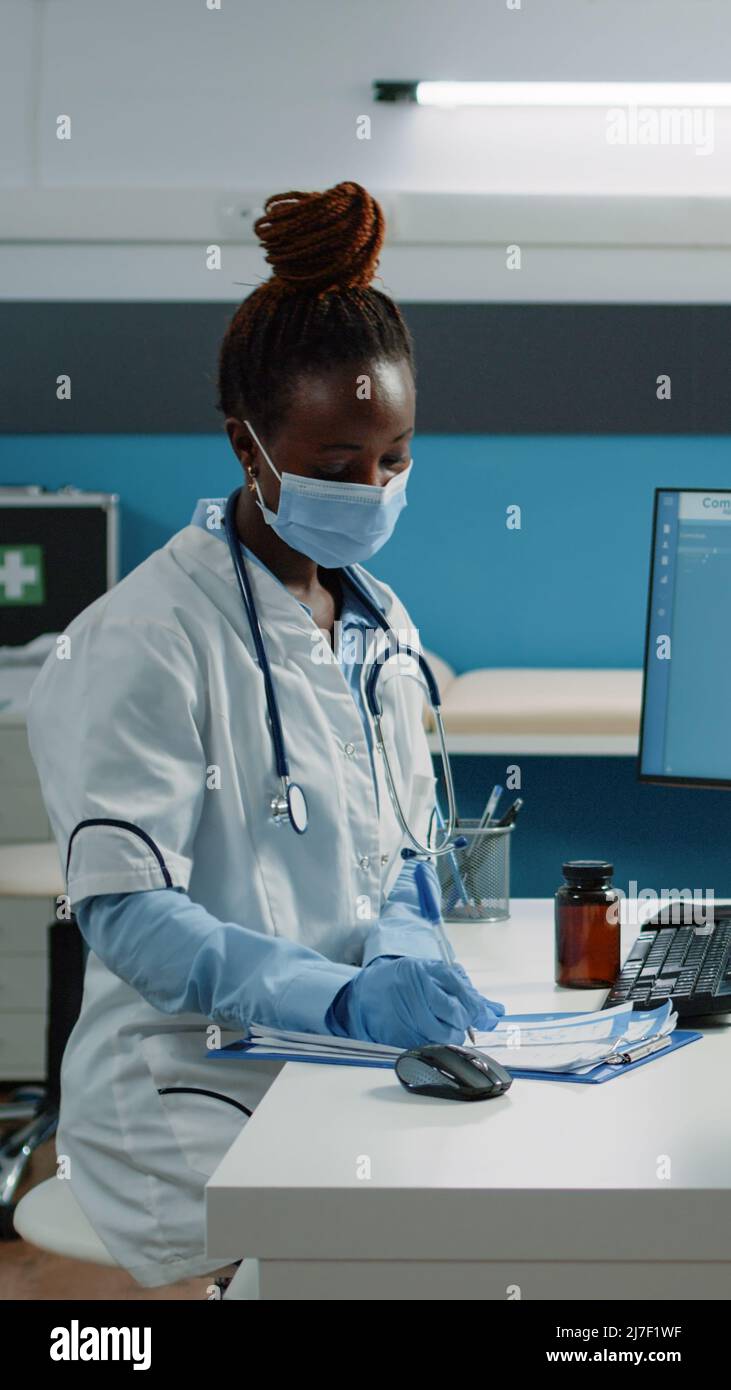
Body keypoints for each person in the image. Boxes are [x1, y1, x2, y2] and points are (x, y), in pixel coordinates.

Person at [27, 180, 505, 1290]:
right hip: (186, 1082)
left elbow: (401, 854)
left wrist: (402, 945)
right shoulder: (143, 638)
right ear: (248, 447)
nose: (372, 489)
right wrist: (330, 997)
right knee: (359, 1252)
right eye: (336, 465)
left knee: (477, 1211)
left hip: (345, 1058)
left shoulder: (380, 625)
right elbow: (127, 913)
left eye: (394, 458)